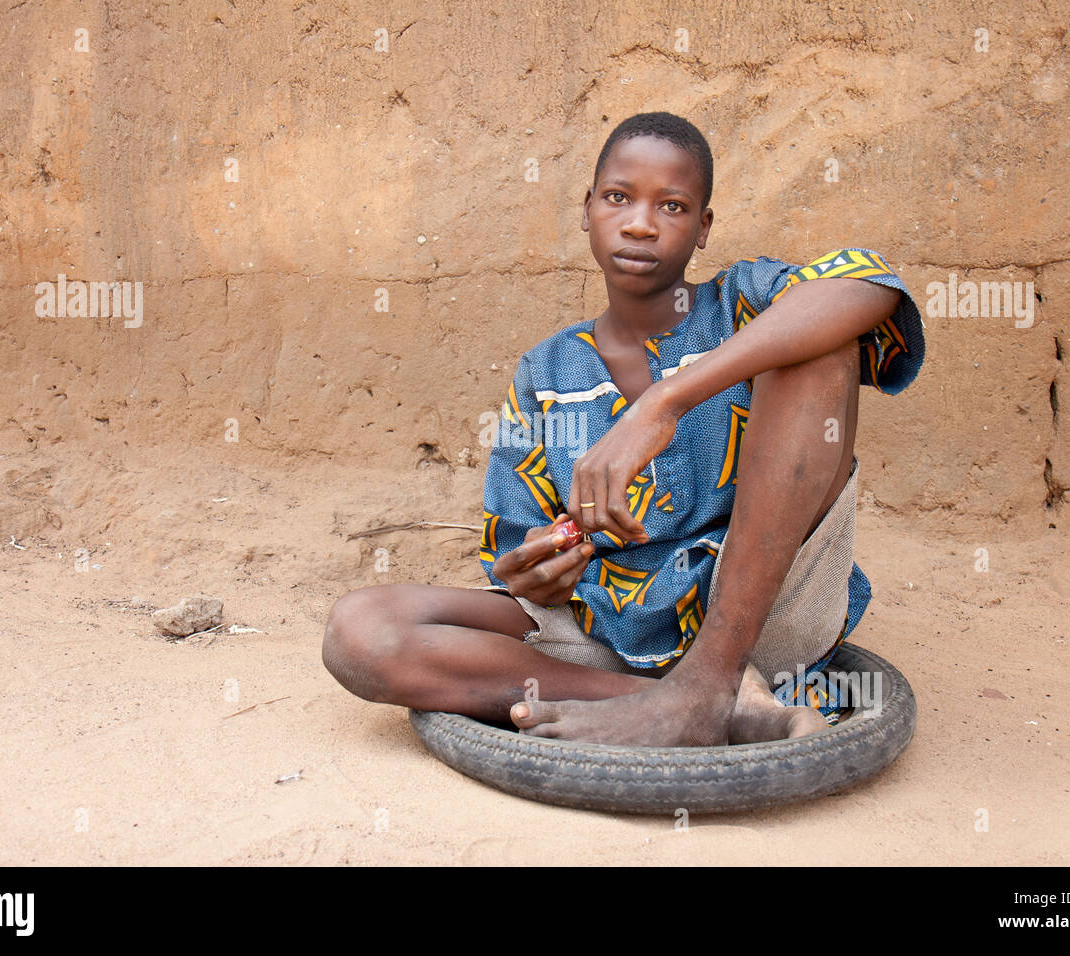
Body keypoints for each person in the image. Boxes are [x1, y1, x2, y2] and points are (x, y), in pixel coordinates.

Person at [323, 111, 925, 747]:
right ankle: (691, 705)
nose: (640, 223)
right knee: (362, 630)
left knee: (817, 339)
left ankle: (710, 680)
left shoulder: (742, 302)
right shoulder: (546, 372)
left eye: (672, 205)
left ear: (702, 228)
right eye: (618, 197)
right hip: (610, 626)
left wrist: (664, 401)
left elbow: (867, 282)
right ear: (587, 209)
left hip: (765, 611)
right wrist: (536, 569)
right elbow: (514, 553)